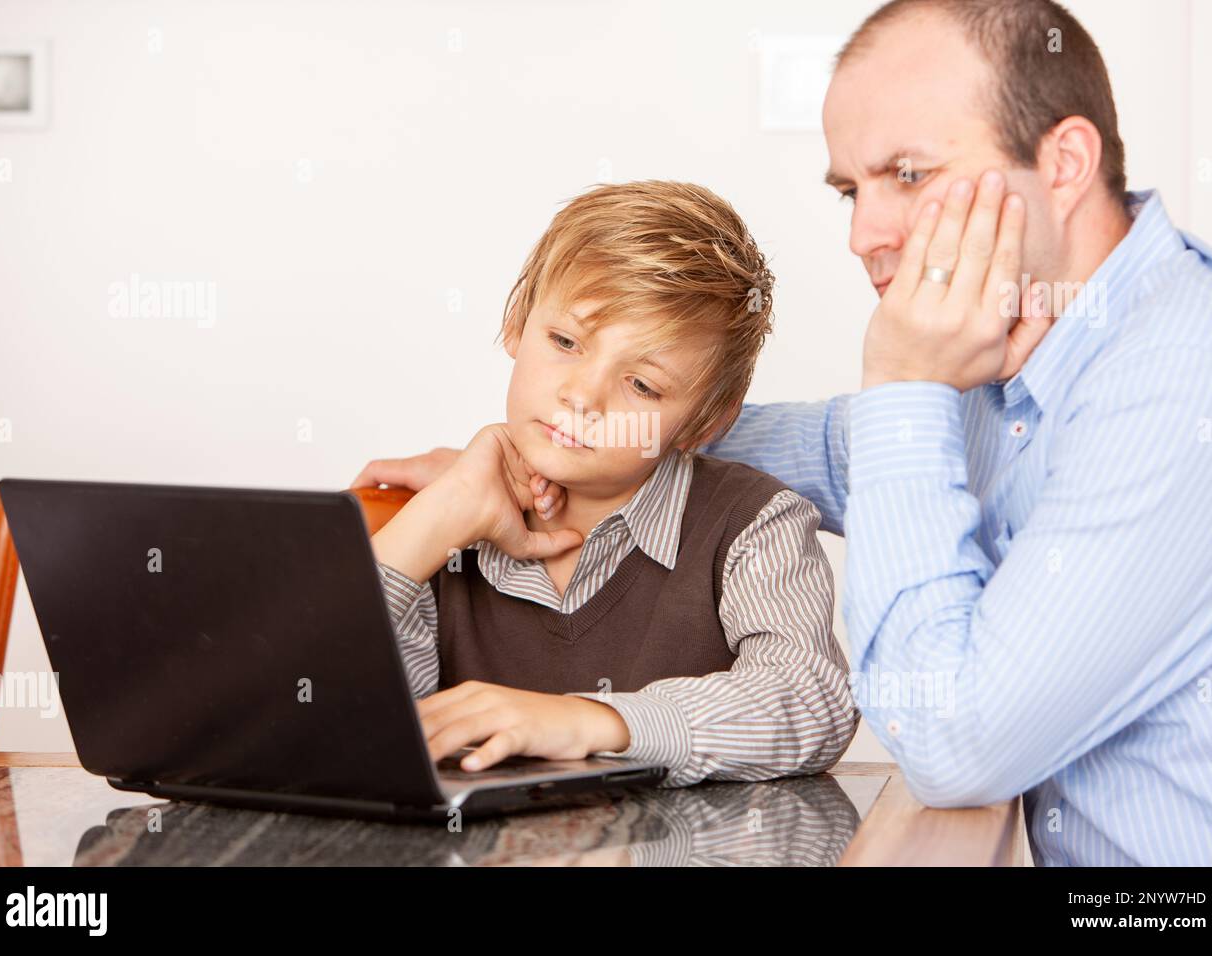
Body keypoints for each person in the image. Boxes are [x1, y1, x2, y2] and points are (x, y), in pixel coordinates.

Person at [360, 1, 1212, 865]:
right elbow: (791, 447)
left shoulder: (1188, 379)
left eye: (909, 174)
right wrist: (552, 457)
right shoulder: (1010, 373)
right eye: (849, 192)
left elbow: (952, 745)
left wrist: (907, 381)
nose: (866, 234)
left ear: (1063, 163)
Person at [362, 180, 858, 786]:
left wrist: (593, 720)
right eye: (565, 342)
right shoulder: (432, 522)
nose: (582, 396)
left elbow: (811, 702)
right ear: (517, 323)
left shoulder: (755, 524)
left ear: (707, 421)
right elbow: (292, 714)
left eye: (642, 385)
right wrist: (435, 522)